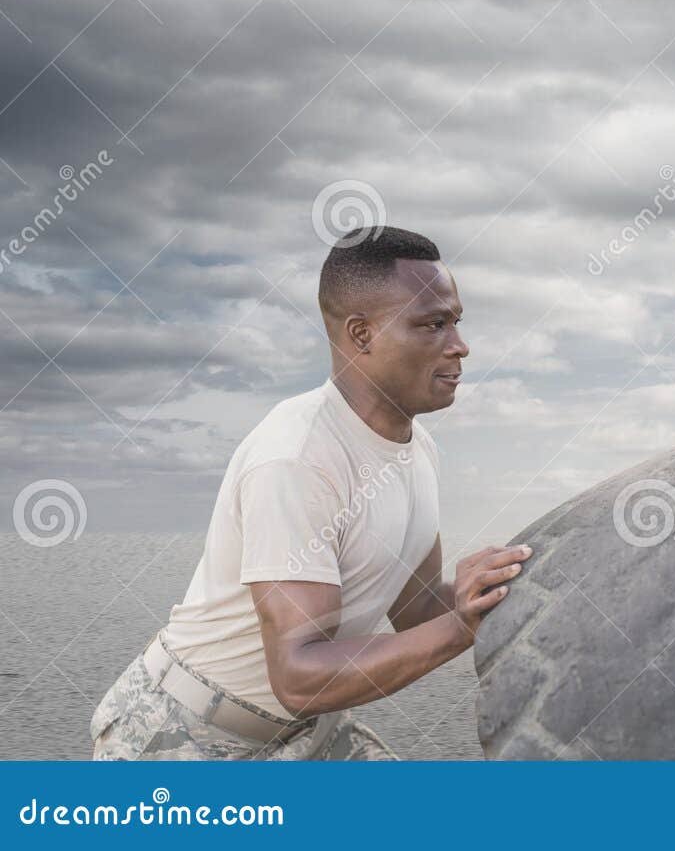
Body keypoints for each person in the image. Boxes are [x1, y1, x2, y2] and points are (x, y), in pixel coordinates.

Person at [89, 226, 530, 760]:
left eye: (455, 322)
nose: (459, 345)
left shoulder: (419, 450)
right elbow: (298, 676)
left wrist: (502, 590)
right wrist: (460, 627)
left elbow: (416, 611)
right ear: (361, 334)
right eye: (433, 324)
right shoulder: (297, 457)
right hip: (181, 738)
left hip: (304, 732)